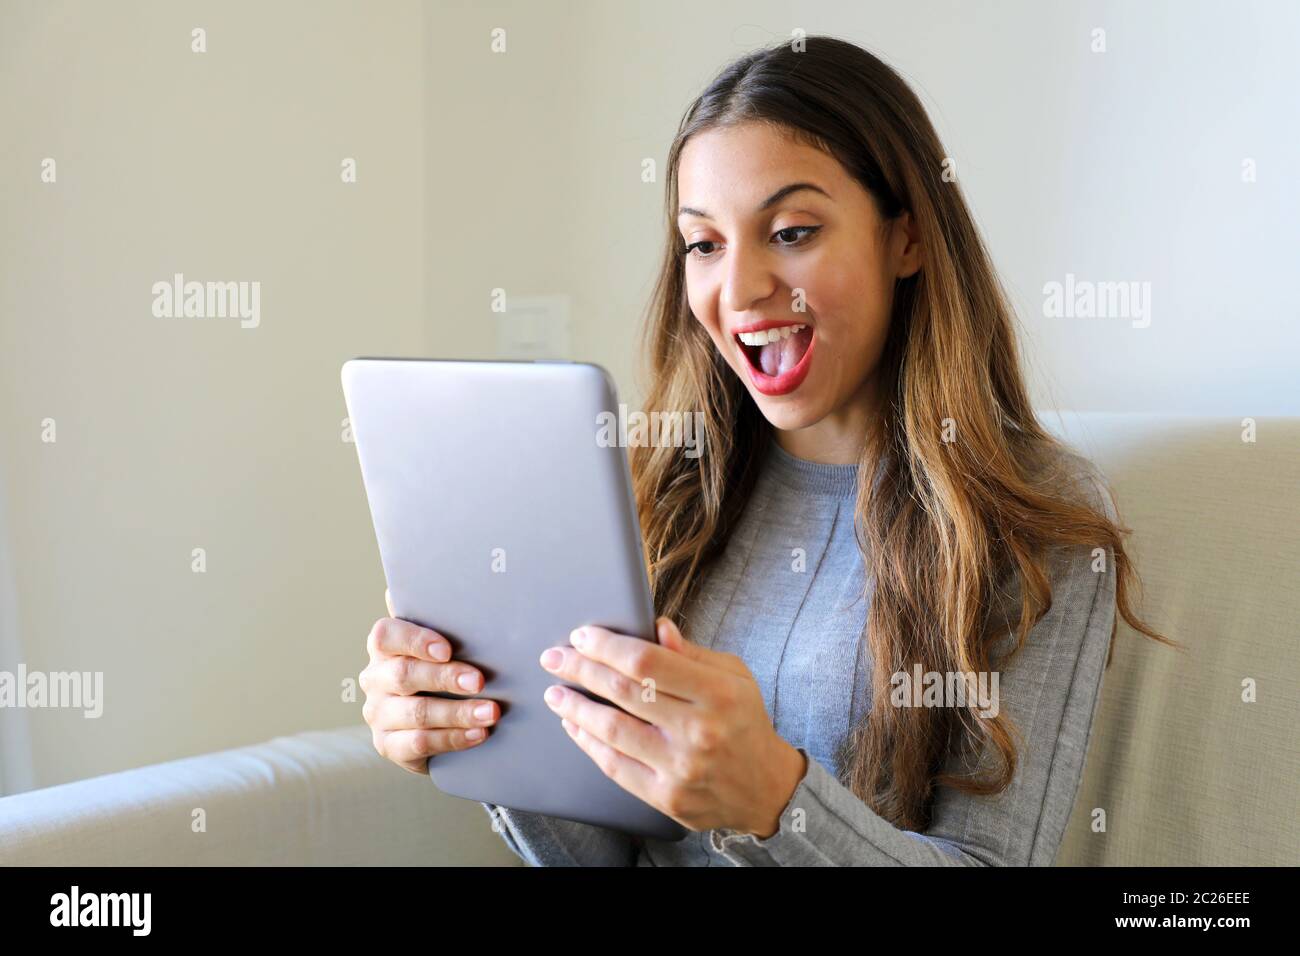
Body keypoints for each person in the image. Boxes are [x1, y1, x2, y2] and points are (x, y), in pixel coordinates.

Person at [358, 35, 1172, 866]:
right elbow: (603, 854)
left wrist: (774, 801)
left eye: (791, 231)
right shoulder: (658, 487)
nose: (740, 288)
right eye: (703, 244)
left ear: (908, 239)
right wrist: (482, 731)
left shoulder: (1033, 516)